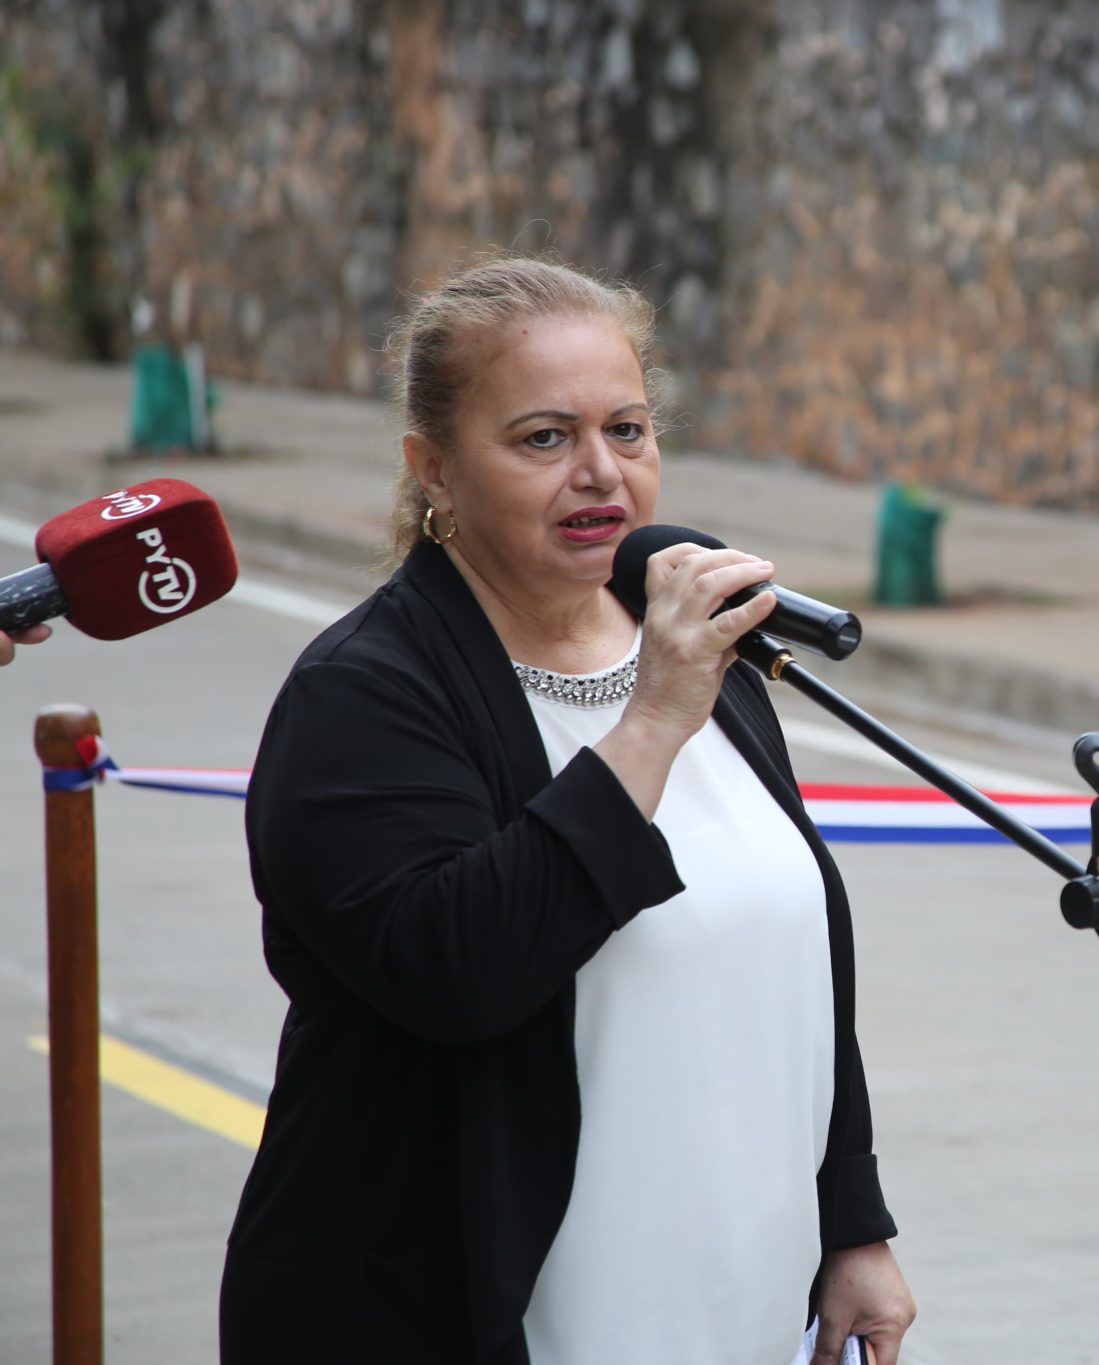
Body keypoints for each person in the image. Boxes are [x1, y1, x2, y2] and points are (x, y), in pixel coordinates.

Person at [218, 256, 914, 1365]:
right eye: (544, 438)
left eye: (626, 430)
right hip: (476, 1315)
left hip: (739, 1297)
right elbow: (461, 971)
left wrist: (853, 1226)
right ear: (434, 470)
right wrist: (651, 723)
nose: (601, 473)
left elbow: (791, 961)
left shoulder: (693, 646)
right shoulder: (360, 694)